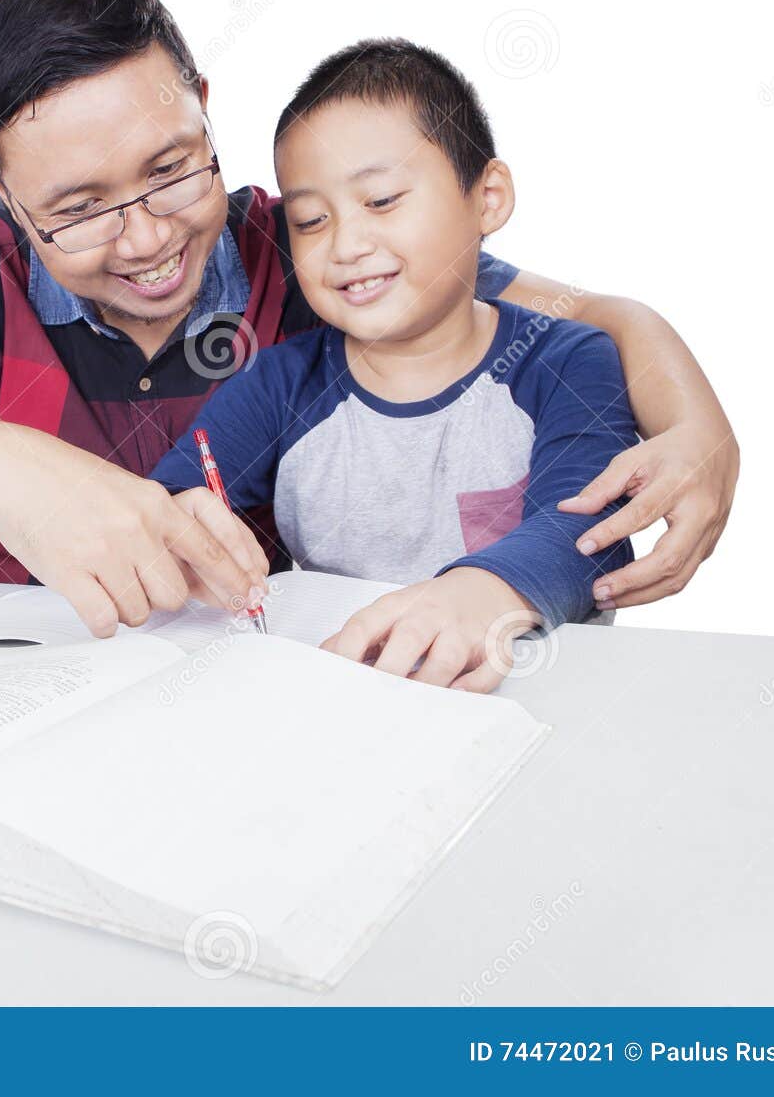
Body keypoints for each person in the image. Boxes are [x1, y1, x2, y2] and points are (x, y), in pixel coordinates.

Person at [0, 0, 738, 638]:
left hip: (248, 683)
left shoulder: (305, 247)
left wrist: (698, 428)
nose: (145, 237)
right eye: (78, 206)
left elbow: (591, 317)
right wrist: (2, 461)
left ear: (205, 107)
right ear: (4, 191)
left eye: (172, 170)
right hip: (0, 667)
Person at [151, 38, 636, 690]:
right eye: (311, 219)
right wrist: (182, 525)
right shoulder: (277, 384)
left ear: (487, 197)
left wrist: (476, 594)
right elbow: (171, 500)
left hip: (531, 698)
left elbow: (588, 533)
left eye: (380, 201)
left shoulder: (570, 361)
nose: (346, 244)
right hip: (345, 695)